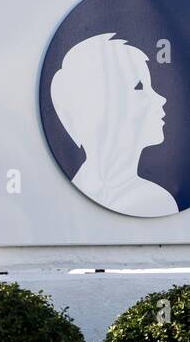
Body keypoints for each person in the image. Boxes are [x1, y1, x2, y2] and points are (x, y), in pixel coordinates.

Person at [50, 33, 178, 217]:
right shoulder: (155, 201)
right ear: (105, 105)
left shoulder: (79, 189)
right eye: (141, 87)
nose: (161, 99)